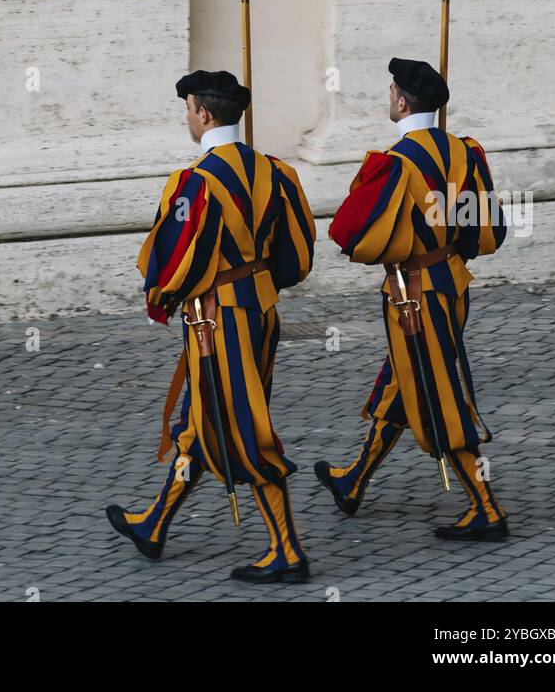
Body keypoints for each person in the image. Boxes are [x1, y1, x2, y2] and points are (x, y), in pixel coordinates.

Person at [106, 69, 318, 582]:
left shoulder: (193, 181)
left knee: (245, 426)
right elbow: (298, 255)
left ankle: (287, 552)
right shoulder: (276, 172)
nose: (187, 117)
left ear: (202, 113)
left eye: (188, 109)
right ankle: (155, 523)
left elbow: (175, 255)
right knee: (206, 420)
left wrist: (160, 296)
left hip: (216, 319)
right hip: (262, 310)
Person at [314, 57, 509, 541]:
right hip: (452, 283)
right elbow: (488, 230)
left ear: (401, 101)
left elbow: (350, 233)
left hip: (413, 295)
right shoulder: (465, 153)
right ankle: (355, 480)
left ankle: (485, 507)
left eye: (390, 92)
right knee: (402, 383)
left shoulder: (396, 163)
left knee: (438, 392)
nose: (388, 97)